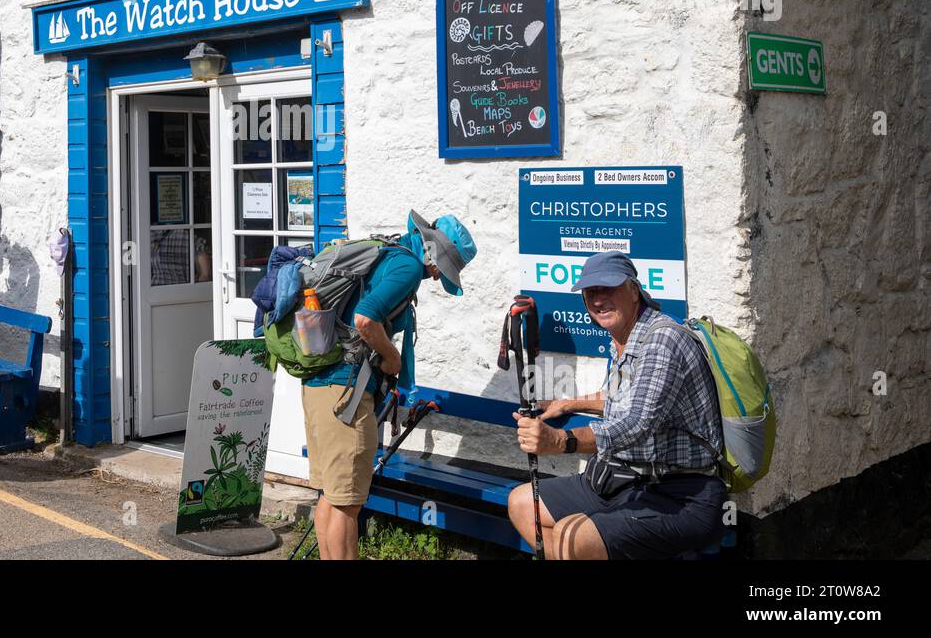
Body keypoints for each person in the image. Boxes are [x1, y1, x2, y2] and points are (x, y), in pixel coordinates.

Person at [507, 250, 726, 559]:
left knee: (573, 535)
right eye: (591, 292)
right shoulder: (622, 338)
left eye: (608, 289)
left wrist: (560, 440)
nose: (598, 300)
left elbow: (636, 423)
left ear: (634, 291)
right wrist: (567, 404)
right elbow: (619, 397)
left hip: (679, 493)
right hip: (622, 480)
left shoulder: (662, 341)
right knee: (521, 503)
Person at [303, 210, 476, 560]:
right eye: (444, 266)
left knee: (330, 495)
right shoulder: (408, 266)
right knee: (347, 503)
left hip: (322, 388)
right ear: (434, 253)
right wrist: (392, 358)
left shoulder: (388, 253)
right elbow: (365, 318)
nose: (436, 275)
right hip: (346, 394)